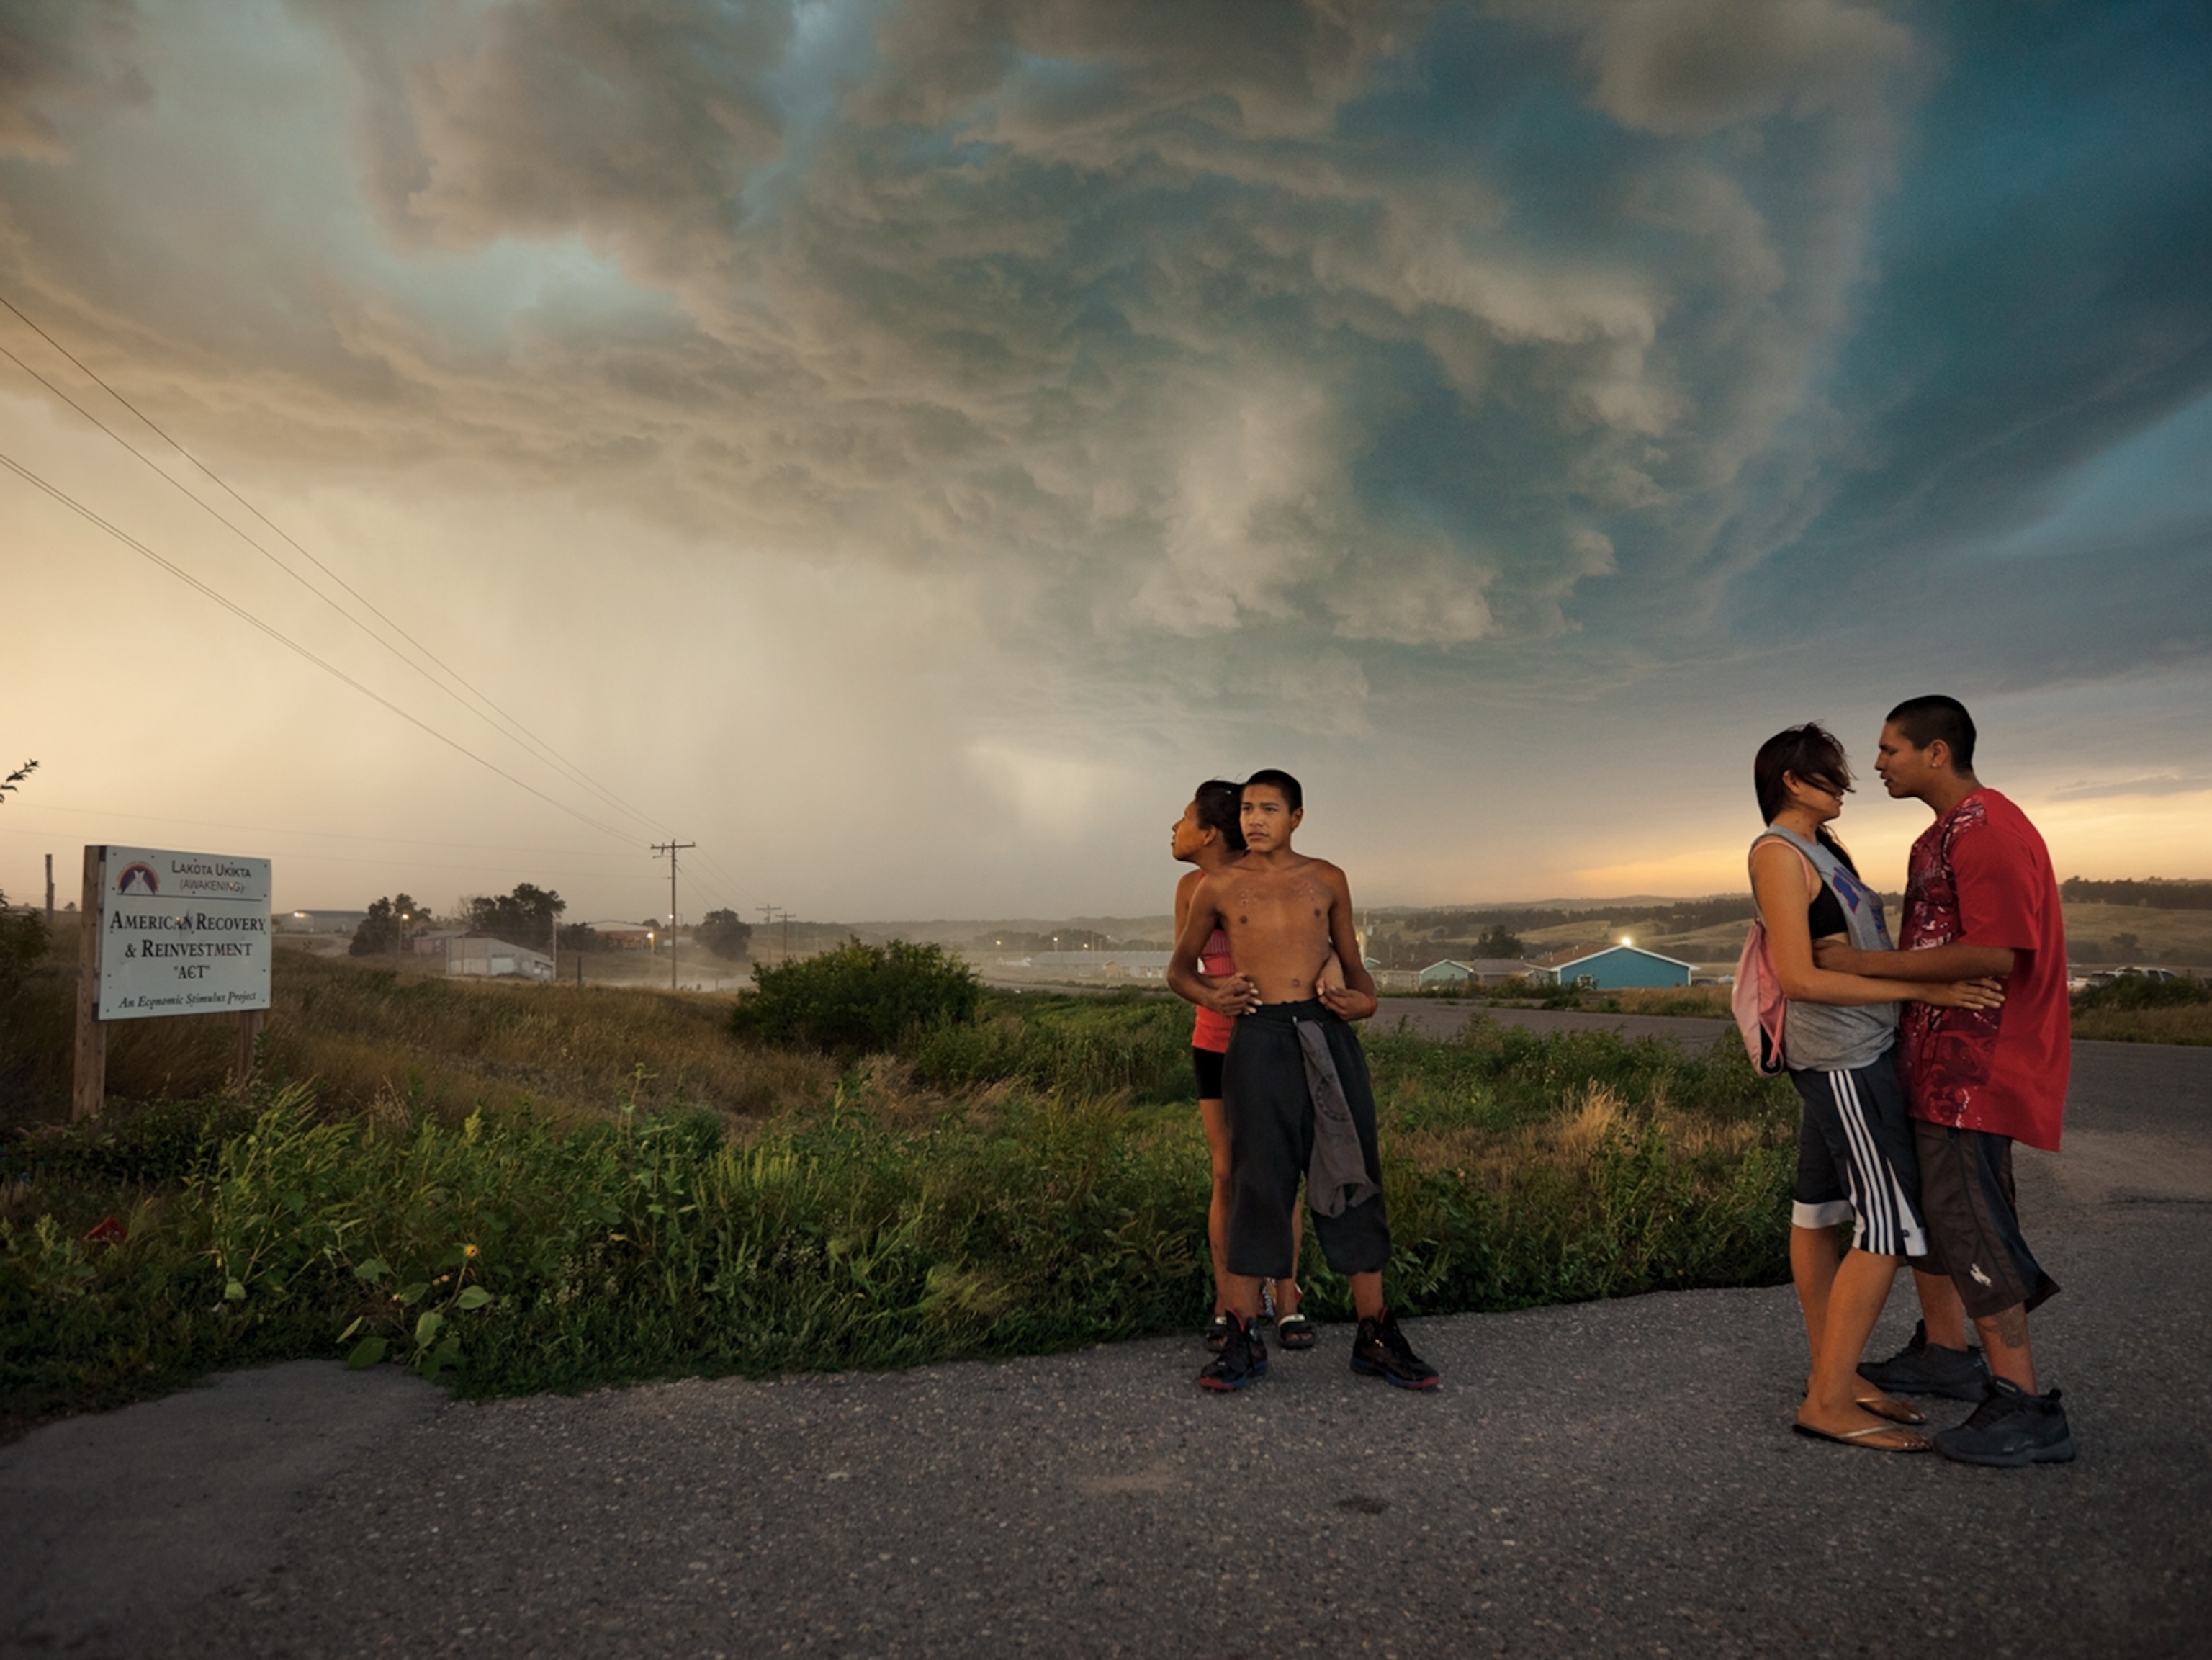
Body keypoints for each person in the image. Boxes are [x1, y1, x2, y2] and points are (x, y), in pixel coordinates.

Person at [1815, 696, 2074, 1466]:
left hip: (1977, 1068)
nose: (1879, 763)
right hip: (1933, 1062)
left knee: (1974, 1225)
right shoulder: (1937, 836)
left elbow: (1997, 952)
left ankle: (2026, 1404)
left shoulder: (1989, 830)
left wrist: (1862, 965)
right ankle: (1945, 1352)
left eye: (1892, 749)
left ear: (1937, 752)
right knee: (1938, 1214)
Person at [1748, 724, 2007, 1454]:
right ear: (1793, 782)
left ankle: (1836, 1372)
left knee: (1819, 1209)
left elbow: (1847, 956)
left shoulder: (1825, 852)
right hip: (1844, 1059)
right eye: (1830, 776)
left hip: (1855, 1051)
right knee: (1889, 1226)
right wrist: (1937, 987)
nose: (1846, 786)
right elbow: (1801, 977)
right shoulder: (1777, 853)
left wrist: (1878, 969)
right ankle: (1827, 1400)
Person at [1168, 769, 1437, 1393]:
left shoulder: (1327, 878)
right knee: (1256, 1180)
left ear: (1297, 816)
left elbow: (1359, 977)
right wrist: (1216, 993)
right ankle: (1241, 1332)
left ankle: (1374, 1331)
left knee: (1352, 1172)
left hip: (1324, 1034)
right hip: (1257, 1038)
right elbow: (1179, 972)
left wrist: (1359, 1003)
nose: (1255, 819)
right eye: (1248, 810)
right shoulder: (1219, 886)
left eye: (1270, 809)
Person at [1171, 781, 1312, 1352]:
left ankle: (1287, 1297)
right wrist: (1212, 996)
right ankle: (1229, 1299)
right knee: (1227, 1171)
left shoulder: (1269, 878)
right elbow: (1184, 967)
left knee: (1279, 1172)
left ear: (1208, 831)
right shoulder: (1190, 887)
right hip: (1214, 1041)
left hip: (1274, 1038)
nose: (1172, 828)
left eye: (1182, 818)